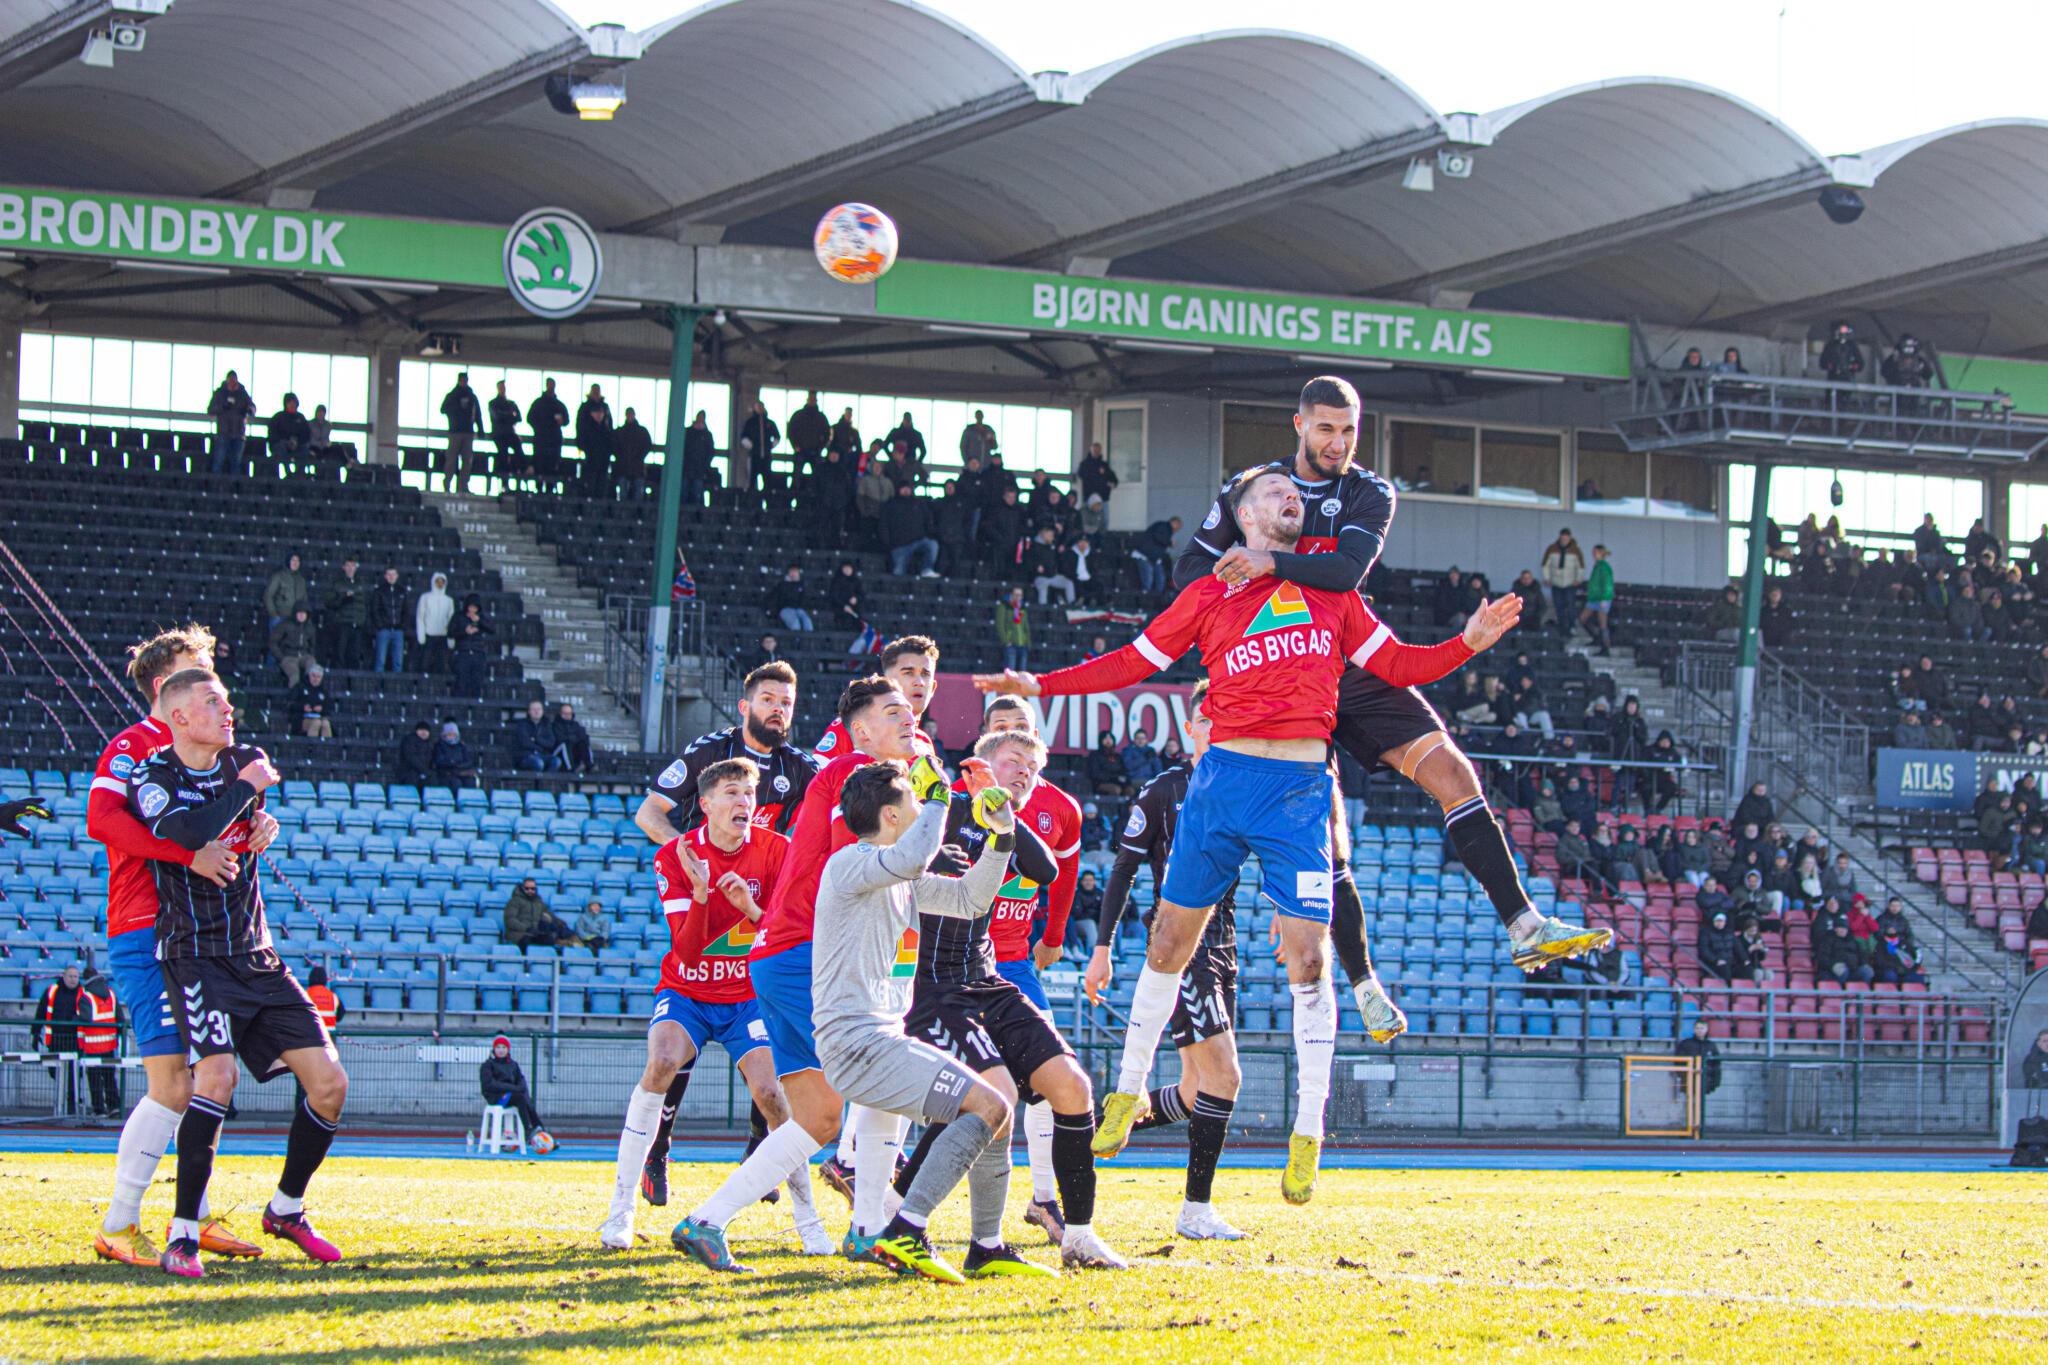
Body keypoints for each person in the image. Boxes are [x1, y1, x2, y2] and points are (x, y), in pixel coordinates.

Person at [976, 464, 1522, 1198]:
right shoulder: (1209, 594)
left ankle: (1309, 1128)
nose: (1291, 496)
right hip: (1221, 783)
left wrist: (1468, 643)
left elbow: (1397, 665)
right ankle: (1127, 1089)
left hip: (1298, 791)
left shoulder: (1333, 594)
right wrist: (1040, 684)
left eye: (1294, 493)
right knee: (1169, 939)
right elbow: (1132, 662)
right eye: (1274, 493)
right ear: (1242, 515)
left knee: (1307, 956)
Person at [1172, 377, 1604, 998]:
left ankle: (1523, 923)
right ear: (1299, 426)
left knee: (1455, 776)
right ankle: (1363, 983)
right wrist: (1250, 581)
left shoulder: (1369, 491)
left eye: (1349, 430)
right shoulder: (1256, 488)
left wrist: (1269, 563)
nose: (1338, 442)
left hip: (1350, 662)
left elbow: (1347, 571)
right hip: (1277, 675)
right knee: (1329, 841)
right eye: (1325, 429)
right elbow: (1189, 572)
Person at [665, 680, 934, 1271]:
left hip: (782, 955)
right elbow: (871, 861)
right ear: (860, 730)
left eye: (913, 709)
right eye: (894, 712)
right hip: (807, 954)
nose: (910, 717)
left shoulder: (862, 776)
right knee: (881, 1071)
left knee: (818, 1117)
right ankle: (873, 1225)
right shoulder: (853, 773)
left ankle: (706, 1220)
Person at [128, 668, 346, 1277]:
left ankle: (286, 1210)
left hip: (255, 953)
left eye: (227, 701)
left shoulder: (246, 759)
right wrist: (245, 794)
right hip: (193, 953)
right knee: (215, 1080)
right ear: (178, 717)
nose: (228, 711)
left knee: (330, 1083)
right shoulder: (153, 775)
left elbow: (239, 830)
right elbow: (189, 831)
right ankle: (184, 1233)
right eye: (213, 702)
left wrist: (257, 822)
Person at [886, 729, 1121, 1269]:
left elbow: (1046, 871)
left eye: (1033, 769)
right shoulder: (930, 808)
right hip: (930, 989)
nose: (1024, 774)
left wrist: (1003, 814)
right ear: (979, 764)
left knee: (1073, 1088)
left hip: (986, 977)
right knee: (991, 1104)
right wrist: (954, 803)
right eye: (1012, 762)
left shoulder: (998, 821)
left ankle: (1077, 1237)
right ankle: (902, 1224)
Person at [82, 629, 270, 1267]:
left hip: (202, 937)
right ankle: (118, 1222)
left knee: (210, 1078)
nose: (213, 688)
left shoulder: (206, 756)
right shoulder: (134, 746)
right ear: (168, 686)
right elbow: (102, 822)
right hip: (145, 927)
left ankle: (191, 1214)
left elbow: (226, 839)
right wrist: (187, 852)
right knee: (173, 1083)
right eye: (199, 672)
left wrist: (253, 833)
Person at [602, 758, 828, 1252]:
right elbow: (685, 950)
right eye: (731, 793)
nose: (743, 802)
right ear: (704, 805)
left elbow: (794, 930)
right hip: (687, 990)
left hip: (748, 996)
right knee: (662, 1062)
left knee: (773, 1094)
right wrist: (703, 894)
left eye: (748, 793)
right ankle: (621, 1211)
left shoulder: (777, 851)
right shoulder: (675, 857)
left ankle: (809, 1221)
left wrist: (751, 910)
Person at [1087, 680, 1249, 1239]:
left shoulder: (1241, 786)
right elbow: (1122, 870)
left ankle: (1096, 1128)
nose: (1217, 727)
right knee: (1225, 1076)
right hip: (1182, 948)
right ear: (1191, 728)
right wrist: (1103, 948)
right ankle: (1195, 1210)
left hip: (1226, 943)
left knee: (1189, 1090)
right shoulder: (1163, 790)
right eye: (1208, 719)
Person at [479, 1036, 551, 1150]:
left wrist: (517, 1090)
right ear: (494, 1049)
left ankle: (541, 1131)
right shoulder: (487, 1065)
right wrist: (512, 1088)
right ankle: (528, 1130)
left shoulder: (513, 1065)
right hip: (496, 1097)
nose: (501, 1050)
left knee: (526, 1101)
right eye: (498, 1047)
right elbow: (490, 1085)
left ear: (508, 1049)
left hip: (513, 1094)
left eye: (504, 1047)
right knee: (519, 1097)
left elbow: (521, 1082)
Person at [502, 877, 580, 949]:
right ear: (522, 888)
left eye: (533, 889)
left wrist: (560, 922)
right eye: (527, 888)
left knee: (550, 937)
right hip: (518, 934)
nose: (530, 891)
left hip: (535, 933)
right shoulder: (514, 901)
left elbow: (549, 914)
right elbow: (510, 920)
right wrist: (526, 928)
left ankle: (571, 943)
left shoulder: (538, 902)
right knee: (527, 941)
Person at [322, 557, 370, 670]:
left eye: (353, 566)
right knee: (339, 654)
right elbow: (328, 602)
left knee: (355, 655)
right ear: (343, 567)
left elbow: (365, 604)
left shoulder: (361, 584)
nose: (350, 568)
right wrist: (343, 598)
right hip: (342, 624)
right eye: (348, 565)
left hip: (357, 625)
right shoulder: (337, 584)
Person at [883, 483, 940, 577]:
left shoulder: (918, 503)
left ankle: (927, 569)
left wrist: (930, 533)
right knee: (898, 574)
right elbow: (884, 525)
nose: (906, 490)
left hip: (918, 540)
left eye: (907, 488)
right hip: (899, 545)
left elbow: (928, 520)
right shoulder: (891, 505)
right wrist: (888, 543)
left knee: (932, 544)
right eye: (903, 488)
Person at [439, 372, 483, 493]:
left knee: (467, 461)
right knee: (452, 460)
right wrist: (456, 409)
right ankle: (447, 484)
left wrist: (480, 430)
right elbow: (443, 409)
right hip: (455, 432)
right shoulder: (452, 396)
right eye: (462, 380)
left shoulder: (472, 397)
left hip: (467, 432)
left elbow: (478, 414)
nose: (463, 382)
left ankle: (463, 486)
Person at [206, 370, 255, 475]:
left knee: (236, 462)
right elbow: (211, 410)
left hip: (239, 434)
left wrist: (249, 410)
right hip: (223, 433)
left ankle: (233, 487)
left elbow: (252, 407)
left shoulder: (243, 394)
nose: (232, 383)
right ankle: (216, 485)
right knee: (219, 461)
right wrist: (223, 407)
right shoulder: (220, 394)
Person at [527, 378, 570, 493]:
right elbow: (530, 418)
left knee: (552, 465)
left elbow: (566, 421)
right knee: (540, 464)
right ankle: (539, 488)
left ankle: (550, 490)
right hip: (541, 440)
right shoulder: (538, 403)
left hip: (554, 440)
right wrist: (540, 428)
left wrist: (560, 421)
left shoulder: (559, 405)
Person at [1541, 528, 1587, 633]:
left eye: (1566, 538)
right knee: (1558, 606)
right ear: (1560, 537)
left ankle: (1571, 626)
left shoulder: (1576, 550)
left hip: (1570, 583)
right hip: (1556, 583)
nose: (1564, 540)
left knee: (1570, 605)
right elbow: (1545, 565)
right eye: (1562, 538)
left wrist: (1578, 579)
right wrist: (1547, 578)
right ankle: (1562, 627)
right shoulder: (1551, 548)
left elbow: (1581, 567)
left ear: (1570, 538)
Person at [1674, 1020, 1721, 1119]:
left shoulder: (1711, 1046)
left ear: (1707, 1030)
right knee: (1688, 1106)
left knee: (1701, 1107)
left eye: (1702, 1028)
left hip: (1705, 1082)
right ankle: (1687, 1129)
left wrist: (1715, 1082)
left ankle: (1699, 1129)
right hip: (1689, 1081)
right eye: (1698, 1028)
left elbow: (1717, 1065)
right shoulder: (1685, 1044)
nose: (1700, 1031)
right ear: (1694, 1029)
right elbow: (1679, 1063)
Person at [415, 571, 454, 677]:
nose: (440, 584)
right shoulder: (425, 597)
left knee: (441, 663)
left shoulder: (449, 600)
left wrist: (451, 638)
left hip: (443, 635)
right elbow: (420, 616)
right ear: (433, 582)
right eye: (438, 582)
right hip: (428, 635)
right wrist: (421, 635)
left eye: (442, 582)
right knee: (424, 662)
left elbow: (451, 619)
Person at [450, 598, 491, 700]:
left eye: (475, 607)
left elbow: (491, 629)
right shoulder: (458, 616)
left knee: (477, 680)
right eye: (470, 607)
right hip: (462, 651)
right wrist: (465, 632)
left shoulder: (482, 617)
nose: (472, 609)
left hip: (478, 651)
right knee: (461, 681)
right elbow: (450, 633)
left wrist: (479, 621)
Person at [577, 384, 615, 494]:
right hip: (590, 447)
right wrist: (583, 444)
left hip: (604, 448)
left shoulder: (605, 407)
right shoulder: (584, 408)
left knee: (602, 476)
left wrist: (610, 445)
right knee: (590, 474)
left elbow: (609, 427)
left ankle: (600, 496)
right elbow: (580, 427)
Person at [488, 381, 526, 488]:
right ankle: (505, 484)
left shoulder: (511, 403)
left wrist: (506, 415)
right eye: (501, 387)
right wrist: (510, 415)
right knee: (503, 457)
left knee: (519, 452)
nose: (502, 389)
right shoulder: (493, 403)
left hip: (510, 434)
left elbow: (518, 417)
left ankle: (521, 476)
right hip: (499, 435)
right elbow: (497, 417)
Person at [370, 567, 408, 674]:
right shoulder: (379, 591)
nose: (391, 577)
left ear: (397, 576)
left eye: (393, 574)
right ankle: (377, 688)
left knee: (398, 662)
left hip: (398, 631)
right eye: (389, 574)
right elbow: (375, 610)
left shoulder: (402, 591)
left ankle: (397, 687)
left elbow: (406, 610)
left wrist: (402, 626)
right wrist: (380, 625)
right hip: (383, 630)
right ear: (385, 576)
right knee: (380, 661)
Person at [1026, 526, 1075, 605]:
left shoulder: (1052, 545)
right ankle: (1042, 610)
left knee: (1068, 583)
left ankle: (1072, 604)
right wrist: (1036, 567)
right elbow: (1028, 561)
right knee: (1043, 590)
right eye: (1050, 535)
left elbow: (1062, 540)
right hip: (1040, 577)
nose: (1052, 537)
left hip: (1052, 576)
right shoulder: (1034, 546)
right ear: (1043, 535)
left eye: (1052, 535)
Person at [1580, 544, 1615, 655]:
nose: (1593, 555)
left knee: (1602, 623)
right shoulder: (1598, 566)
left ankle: (1606, 648)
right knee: (1583, 619)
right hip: (1594, 598)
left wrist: (1604, 598)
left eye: (1596, 552)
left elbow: (1608, 584)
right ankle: (1596, 637)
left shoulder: (1604, 567)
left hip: (1601, 599)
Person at [269, 606, 317, 687]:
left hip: (304, 655)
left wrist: (311, 654)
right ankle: (295, 696)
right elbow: (273, 642)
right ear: (295, 614)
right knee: (294, 675)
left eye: (304, 614)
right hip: (288, 656)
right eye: (299, 613)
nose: (301, 616)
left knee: (313, 669)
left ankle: (310, 694)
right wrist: (281, 657)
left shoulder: (309, 627)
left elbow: (312, 644)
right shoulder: (284, 625)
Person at [267, 393, 313, 474]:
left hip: (298, 445)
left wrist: (297, 442)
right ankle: (288, 473)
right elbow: (272, 433)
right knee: (280, 448)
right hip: (282, 444)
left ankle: (299, 474)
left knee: (305, 450)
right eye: (289, 402)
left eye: (294, 402)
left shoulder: (301, 417)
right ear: (285, 404)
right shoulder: (279, 417)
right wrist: (285, 441)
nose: (292, 405)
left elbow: (306, 434)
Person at [738, 401, 779, 490]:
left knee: (767, 481)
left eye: (762, 407)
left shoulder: (769, 423)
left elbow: (777, 436)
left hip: (766, 456)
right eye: (758, 407)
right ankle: (752, 502)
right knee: (752, 479)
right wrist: (751, 446)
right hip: (754, 456)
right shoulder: (750, 423)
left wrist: (770, 446)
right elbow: (743, 437)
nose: (760, 409)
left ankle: (768, 500)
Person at [511, 699, 561, 772]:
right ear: (529, 712)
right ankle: (536, 783)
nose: (537, 711)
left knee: (556, 761)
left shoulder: (547, 725)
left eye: (539, 709)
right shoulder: (522, 724)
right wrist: (541, 747)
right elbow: (525, 743)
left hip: (543, 755)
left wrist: (536, 739)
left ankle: (546, 782)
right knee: (538, 763)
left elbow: (551, 743)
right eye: (534, 709)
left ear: (542, 711)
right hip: (526, 756)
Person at [287, 664, 334, 740]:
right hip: (301, 719)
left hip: (319, 717)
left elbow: (329, 708)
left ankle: (327, 749)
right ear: (309, 675)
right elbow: (290, 704)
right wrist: (303, 707)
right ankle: (311, 748)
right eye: (313, 676)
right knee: (316, 723)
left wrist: (321, 709)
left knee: (326, 723)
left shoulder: (323, 691)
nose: (315, 679)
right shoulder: (300, 687)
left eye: (318, 677)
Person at [614, 407, 652, 498]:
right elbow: (614, 446)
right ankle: (625, 509)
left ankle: (635, 509)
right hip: (625, 466)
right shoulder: (621, 431)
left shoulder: (621, 431)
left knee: (637, 489)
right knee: (624, 489)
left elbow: (647, 445)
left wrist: (640, 457)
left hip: (635, 466)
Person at [264, 551, 309, 629]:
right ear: (288, 561)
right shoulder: (278, 576)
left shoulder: (301, 580)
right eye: (293, 560)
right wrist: (273, 614)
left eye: (298, 561)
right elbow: (268, 595)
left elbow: (304, 599)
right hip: (280, 617)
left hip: (295, 619)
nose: (295, 563)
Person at [682, 410, 716, 506]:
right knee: (685, 492)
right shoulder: (688, 432)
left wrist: (705, 465)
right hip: (688, 467)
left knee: (696, 491)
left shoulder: (706, 435)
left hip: (698, 469)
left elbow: (710, 452)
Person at [433, 720, 477, 787]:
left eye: (454, 734)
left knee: (470, 782)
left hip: (460, 772)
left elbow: (468, 761)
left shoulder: (462, 746)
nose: (452, 736)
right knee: (456, 783)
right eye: (449, 734)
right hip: (446, 774)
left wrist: (459, 765)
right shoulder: (439, 746)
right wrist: (452, 764)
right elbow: (439, 761)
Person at [394, 719, 436, 790]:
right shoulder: (409, 741)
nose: (424, 732)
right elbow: (411, 758)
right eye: (421, 730)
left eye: (426, 730)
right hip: (409, 773)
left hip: (425, 773)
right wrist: (424, 770)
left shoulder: (430, 744)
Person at [996, 587, 1030, 672]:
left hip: (1023, 644)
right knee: (1010, 671)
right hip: (1011, 644)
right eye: (1016, 594)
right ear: (1011, 595)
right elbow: (1000, 625)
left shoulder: (1022, 608)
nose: (1018, 597)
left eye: (1020, 595)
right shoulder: (1004, 606)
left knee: (1023, 672)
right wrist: (1006, 641)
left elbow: (1025, 626)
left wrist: (1027, 641)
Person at [772, 566, 814, 633]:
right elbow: (780, 598)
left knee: (807, 621)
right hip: (785, 609)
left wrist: (797, 584)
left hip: (799, 609)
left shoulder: (802, 585)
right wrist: (788, 583)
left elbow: (805, 599)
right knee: (795, 623)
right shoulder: (782, 585)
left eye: (795, 572)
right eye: (792, 572)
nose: (793, 574)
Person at [1077, 441, 1118, 509]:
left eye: (1098, 450)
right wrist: (1101, 477)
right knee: (1089, 519)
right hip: (1090, 498)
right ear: (1091, 450)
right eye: (1095, 450)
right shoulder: (1084, 464)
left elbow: (1113, 478)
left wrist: (1113, 483)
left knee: (1104, 519)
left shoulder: (1104, 465)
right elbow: (1084, 476)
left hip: (1103, 498)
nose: (1096, 452)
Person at [552, 702, 591, 773]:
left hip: (573, 750)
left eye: (569, 713)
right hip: (559, 752)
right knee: (565, 744)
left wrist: (571, 738)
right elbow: (560, 738)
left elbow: (583, 737)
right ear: (560, 714)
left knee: (583, 743)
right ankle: (571, 768)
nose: (567, 715)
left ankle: (589, 766)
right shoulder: (555, 725)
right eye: (564, 713)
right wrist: (573, 738)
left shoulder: (576, 725)